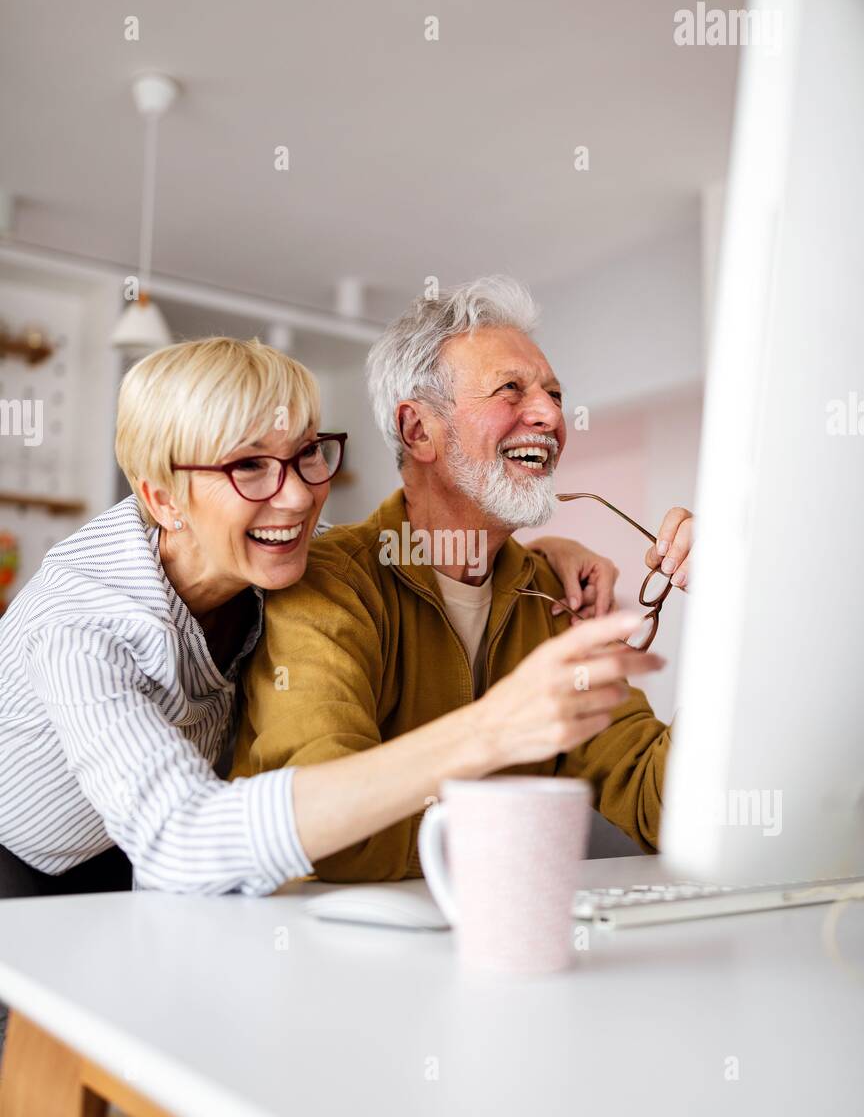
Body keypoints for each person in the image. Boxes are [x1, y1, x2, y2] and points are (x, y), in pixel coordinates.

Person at [0, 334, 649, 898]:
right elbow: (179, 839)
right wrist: (488, 731)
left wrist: (535, 557)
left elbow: (400, 550)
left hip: (143, 853)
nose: (297, 496)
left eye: (308, 453)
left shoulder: (274, 553)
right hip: (29, 863)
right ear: (161, 498)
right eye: (249, 464)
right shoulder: (80, 623)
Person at [232, 277, 694, 881]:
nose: (551, 415)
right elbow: (332, 838)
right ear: (419, 430)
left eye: (555, 394)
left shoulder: (556, 598)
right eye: (512, 390)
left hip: (491, 946)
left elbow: (661, 806)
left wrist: (743, 608)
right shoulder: (328, 585)